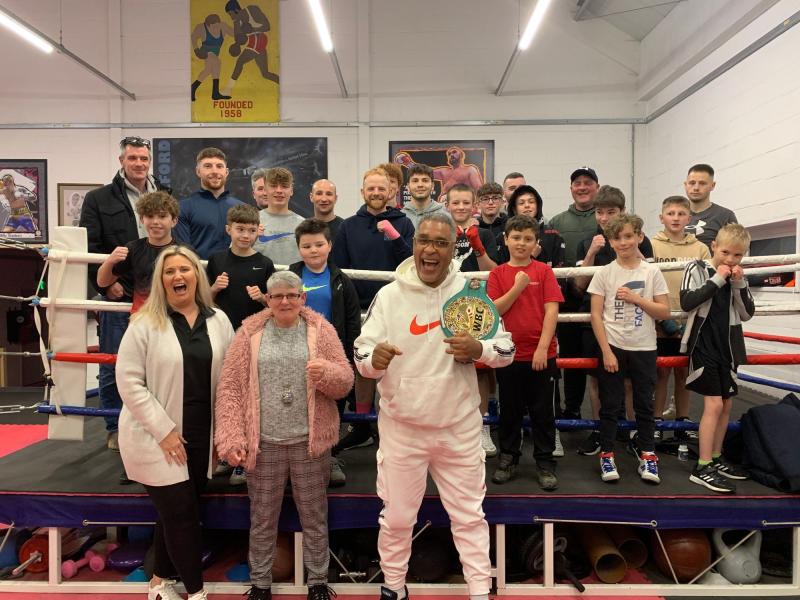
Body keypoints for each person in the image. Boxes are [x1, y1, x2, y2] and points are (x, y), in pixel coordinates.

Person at [354, 212, 515, 600]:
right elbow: (361, 350)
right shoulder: (389, 296)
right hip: (402, 428)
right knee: (395, 517)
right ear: (413, 245)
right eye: (423, 240)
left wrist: (481, 349)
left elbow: (506, 349)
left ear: (451, 250)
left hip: (457, 427)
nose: (430, 249)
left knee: (469, 517)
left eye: (441, 243)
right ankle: (393, 587)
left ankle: (479, 591)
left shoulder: (469, 295)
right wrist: (371, 360)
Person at [215, 271, 352, 600]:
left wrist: (327, 374)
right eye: (278, 296)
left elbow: (345, 380)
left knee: (314, 516)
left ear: (302, 297)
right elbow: (231, 388)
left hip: (309, 442)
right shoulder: (249, 332)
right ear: (268, 300)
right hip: (264, 444)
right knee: (262, 518)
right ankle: (260, 584)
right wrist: (233, 438)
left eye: (292, 295)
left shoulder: (322, 330)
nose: (285, 301)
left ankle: (318, 581)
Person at [115, 245, 235, 600]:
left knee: (174, 512)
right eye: (169, 272)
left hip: (201, 435)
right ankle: (197, 593)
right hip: (157, 437)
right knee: (182, 515)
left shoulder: (219, 320)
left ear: (197, 276)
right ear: (161, 281)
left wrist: (226, 431)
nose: (178, 276)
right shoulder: (144, 324)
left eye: (185, 269)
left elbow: (229, 379)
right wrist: (164, 431)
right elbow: (129, 381)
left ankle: (158, 582)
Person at [80, 136, 170, 451]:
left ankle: (157, 423)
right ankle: (114, 426)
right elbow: (90, 246)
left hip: (161, 290)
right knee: (115, 361)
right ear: (122, 161)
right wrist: (105, 284)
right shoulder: (98, 198)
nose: (139, 164)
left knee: (162, 360)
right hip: (119, 290)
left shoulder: (164, 195)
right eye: (132, 158)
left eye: (144, 158)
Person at [331, 168, 415, 451]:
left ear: (390, 191)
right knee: (361, 362)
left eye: (381, 188)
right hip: (360, 305)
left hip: (396, 303)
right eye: (371, 189)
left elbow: (410, 264)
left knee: (397, 361)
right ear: (363, 192)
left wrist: (394, 237)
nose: (376, 193)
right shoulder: (349, 225)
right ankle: (363, 424)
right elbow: (339, 268)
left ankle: (397, 424)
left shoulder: (404, 223)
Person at [588, 214, 670, 484]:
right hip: (613, 345)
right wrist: (606, 351)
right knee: (610, 405)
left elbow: (664, 311)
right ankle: (607, 455)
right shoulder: (605, 272)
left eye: (627, 236)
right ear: (610, 241)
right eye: (617, 238)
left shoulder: (651, 272)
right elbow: (596, 315)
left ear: (639, 237)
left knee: (644, 405)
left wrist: (636, 299)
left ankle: (648, 455)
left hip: (644, 346)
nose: (622, 242)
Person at [572, 185, 654, 455]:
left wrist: (635, 247)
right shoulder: (588, 241)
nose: (605, 217)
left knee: (630, 382)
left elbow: (650, 275)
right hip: (596, 318)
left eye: (611, 211)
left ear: (622, 211)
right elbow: (578, 287)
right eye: (600, 212)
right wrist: (591, 254)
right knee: (598, 378)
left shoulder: (638, 239)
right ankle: (600, 430)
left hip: (632, 320)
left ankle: (631, 430)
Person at [488, 215, 562, 490]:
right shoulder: (498, 274)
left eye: (528, 239)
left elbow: (552, 310)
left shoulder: (543, 271)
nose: (521, 243)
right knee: (510, 411)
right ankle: (508, 458)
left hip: (541, 353)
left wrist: (543, 347)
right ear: (506, 240)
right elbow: (495, 310)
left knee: (543, 411)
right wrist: (518, 287)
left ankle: (544, 462)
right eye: (516, 237)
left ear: (536, 243)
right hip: (507, 354)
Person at [681, 224, 755, 493]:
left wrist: (738, 283)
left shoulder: (737, 276)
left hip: (729, 348)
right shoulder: (697, 268)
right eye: (725, 252)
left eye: (737, 255)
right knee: (712, 406)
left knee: (725, 406)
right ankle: (701, 466)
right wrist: (718, 279)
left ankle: (714, 457)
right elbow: (688, 302)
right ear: (714, 246)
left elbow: (747, 314)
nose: (730, 260)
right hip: (703, 345)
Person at [289, 218, 361, 487]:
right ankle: (297, 459)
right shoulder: (290, 278)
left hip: (332, 353)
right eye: (307, 246)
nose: (314, 250)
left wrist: (348, 357)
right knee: (297, 406)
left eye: (319, 244)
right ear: (299, 249)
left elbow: (353, 321)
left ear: (329, 246)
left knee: (331, 408)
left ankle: (328, 456)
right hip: (295, 351)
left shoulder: (341, 280)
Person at [650, 196, 710, 438]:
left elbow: (707, 284)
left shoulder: (700, 248)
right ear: (661, 217)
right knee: (661, 372)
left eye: (680, 213)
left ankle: (682, 422)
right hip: (660, 320)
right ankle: (655, 421)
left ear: (689, 218)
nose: (675, 218)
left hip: (690, 320)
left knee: (684, 373)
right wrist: (660, 316)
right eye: (671, 213)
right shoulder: (651, 245)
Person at [549, 167, 600, 426]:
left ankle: (607, 418)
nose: (582, 187)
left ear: (597, 187)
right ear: (571, 188)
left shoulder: (604, 219)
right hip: (566, 296)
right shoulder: (557, 222)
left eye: (587, 183)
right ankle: (571, 410)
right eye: (577, 183)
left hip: (601, 296)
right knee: (567, 354)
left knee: (595, 358)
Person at [96, 191, 183, 314]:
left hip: (175, 317)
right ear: (142, 219)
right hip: (142, 317)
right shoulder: (134, 248)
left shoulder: (184, 251)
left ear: (174, 221)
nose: (155, 222)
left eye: (162, 216)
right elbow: (102, 282)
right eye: (150, 216)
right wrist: (110, 261)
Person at [176, 147, 244, 259]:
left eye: (219, 166)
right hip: (200, 273)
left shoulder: (242, 208)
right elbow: (184, 251)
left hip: (236, 274)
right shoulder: (183, 208)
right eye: (208, 166)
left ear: (226, 172)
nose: (214, 171)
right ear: (198, 171)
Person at [220, 0, 280, 98]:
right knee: (265, 73)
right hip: (254, 42)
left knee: (240, 62)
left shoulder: (252, 10)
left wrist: (253, 29)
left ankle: (228, 89)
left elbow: (267, 26)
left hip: (259, 39)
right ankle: (281, 83)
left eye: (231, 14)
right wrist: (236, 45)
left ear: (236, 10)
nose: (231, 17)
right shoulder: (236, 22)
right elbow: (241, 40)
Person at [497, 185, 565, 269]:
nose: (527, 205)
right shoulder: (503, 237)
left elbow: (560, 272)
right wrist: (531, 256)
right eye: (521, 203)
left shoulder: (553, 235)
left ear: (538, 206)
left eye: (531, 202)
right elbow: (502, 271)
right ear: (514, 209)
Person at [253, 167, 304, 265]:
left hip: (294, 279)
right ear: (266, 190)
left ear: (291, 191)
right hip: (258, 279)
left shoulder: (303, 225)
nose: (279, 190)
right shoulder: (251, 221)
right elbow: (236, 255)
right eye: (273, 186)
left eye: (284, 186)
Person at [445, 183, 500, 272]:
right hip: (448, 285)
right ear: (447, 206)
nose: (461, 207)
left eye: (466, 203)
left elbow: (492, 272)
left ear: (473, 206)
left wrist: (479, 249)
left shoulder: (485, 234)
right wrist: (450, 245)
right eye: (455, 203)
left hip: (478, 285)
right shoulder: (441, 235)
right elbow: (436, 271)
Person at [683, 164, 738, 249]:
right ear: (685, 185)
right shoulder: (675, 215)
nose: (696, 188)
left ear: (712, 185)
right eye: (692, 183)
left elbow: (735, 251)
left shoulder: (726, 216)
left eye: (702, 183)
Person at [190, 13, 233, 101]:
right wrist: (196, 50)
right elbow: (193, 37)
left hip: (215, 53)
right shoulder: (201, 27)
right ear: (208, 25)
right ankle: (215, 93)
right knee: (217, 62)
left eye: (218, 26)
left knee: (209, 70)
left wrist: (241, 31)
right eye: (214, 27)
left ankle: (196, 88)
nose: (216, 29)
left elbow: (234, 33)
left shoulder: (223, 26)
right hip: (205, 52)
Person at [401, 163, 447, 229]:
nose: (420, 185)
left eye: (425, 180)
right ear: (408, 187)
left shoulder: (445, 215)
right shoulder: (401, 217)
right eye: (415, 181)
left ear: (433, 186)